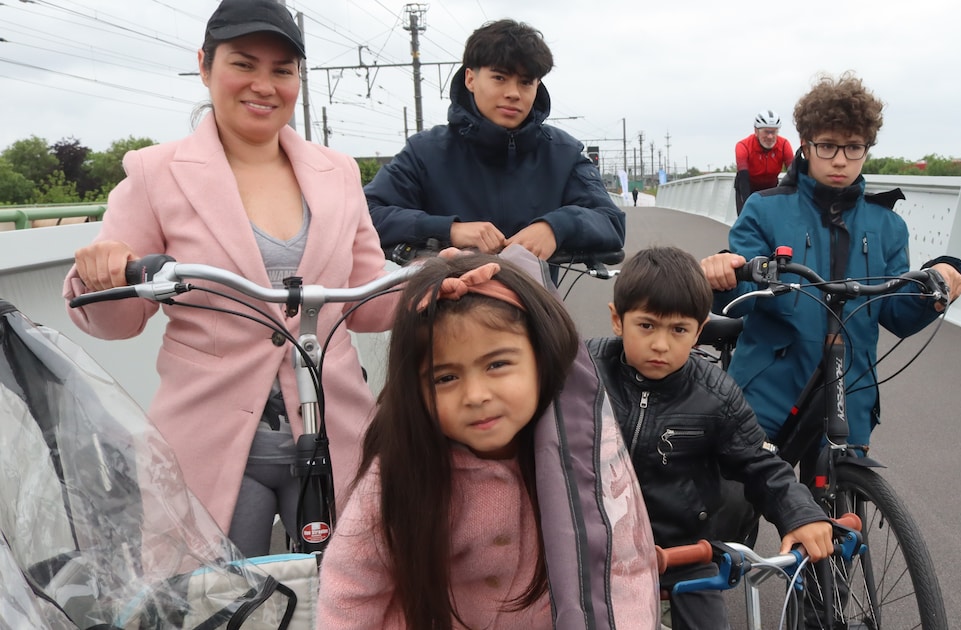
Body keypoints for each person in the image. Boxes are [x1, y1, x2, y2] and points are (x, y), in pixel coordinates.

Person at [62, 0, 399, 558]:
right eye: (243, 64)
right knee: (217, 593)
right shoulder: (155, 172)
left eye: (282, 70)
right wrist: (100, 274)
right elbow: (119, 321)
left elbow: (368, 301)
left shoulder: (338, 171)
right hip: (211, 437)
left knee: (355, 583)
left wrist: (433, 286)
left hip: (332, 430)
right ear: (204, 64)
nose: (263, 86)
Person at [317, 251, 659, 629]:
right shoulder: (400, 473)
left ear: (543, 358)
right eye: (445, 377)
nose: (476, 395)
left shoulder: (583, 457)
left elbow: (621, 571)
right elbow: (350, 588)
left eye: (497, 364)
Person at [702, 72, 961, 452]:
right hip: (768, 389)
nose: (840, 160)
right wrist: (723, 274)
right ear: (806, 145)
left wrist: (940, 282)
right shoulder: (764, 210)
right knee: (740, 486)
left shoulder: (888, 225)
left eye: (853, 147)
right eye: (827, 146)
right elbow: (742, 292)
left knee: (848, 486)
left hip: (850, 392)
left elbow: (897, 314)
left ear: (867, 148)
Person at [587, 246, 835, 630]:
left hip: (686, 552)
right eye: (647, 326)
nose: (661, 344)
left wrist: (800, 514)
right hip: (596, 547)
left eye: (679, 330)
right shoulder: (585, 371)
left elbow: (759, 463)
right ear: (618, 320)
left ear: (699, 331)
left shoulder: (717, 395)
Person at [364, 19, 625, 260]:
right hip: (443, 294)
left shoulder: (563, 154)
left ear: (537, 86)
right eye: (499, 78)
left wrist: (555, 228)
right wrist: (449, 230)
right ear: (470, 79)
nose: (513, 93)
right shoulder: (426, 152)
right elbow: (366, 214)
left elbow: (611, 220)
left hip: (534, 295)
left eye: (526, 82)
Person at [733, 109, 795, 215]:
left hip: (770, 186)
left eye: (774, 132)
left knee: (772, 219)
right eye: (766, 132)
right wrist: (747, 207)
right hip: (748, 185)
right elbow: (744, 179)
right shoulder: (743, 146)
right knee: (747, 218)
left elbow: (794, 173)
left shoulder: (784, 144)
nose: (770, 136)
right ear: (756, 131)